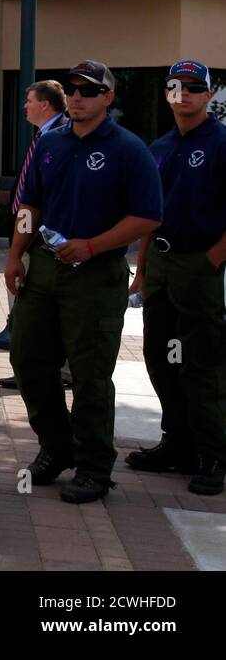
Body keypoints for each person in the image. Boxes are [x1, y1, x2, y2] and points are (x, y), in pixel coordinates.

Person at [6, 60, 163, 504]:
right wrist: (16, 254)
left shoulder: (129, 149)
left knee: (91, 377)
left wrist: (92, 246)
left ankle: (94, 468)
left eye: (89, 91)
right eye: (72, 89)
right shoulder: (50, 142)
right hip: (45, 269)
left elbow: (148, 216)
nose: (78, 97)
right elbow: (30, 205)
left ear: (108, 98)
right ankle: (56, 448)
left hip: (95, 276)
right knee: (29, 361)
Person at [125, 60, 226, 496]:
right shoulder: (159, 147)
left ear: (208, 94)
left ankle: (213, 452)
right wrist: (143, 271)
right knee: (163, 358)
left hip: (199, 266)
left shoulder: (221, 142)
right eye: (174, 87)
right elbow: (150, 215)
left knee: (202, 364)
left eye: (192, 87)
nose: (182, 94)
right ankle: (177, 444)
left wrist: (212, 260)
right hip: (162, 266)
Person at [0, 80, 68, 359]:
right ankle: (24, 354)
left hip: (42, 238)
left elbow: (42, 196)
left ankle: (34, 357)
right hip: (26, 230)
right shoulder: (42, 136)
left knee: (35, 300)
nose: (24, 106)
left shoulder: (61, 136)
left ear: (44, 105)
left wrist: (28, 237)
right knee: (23, 296)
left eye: (29, 101)